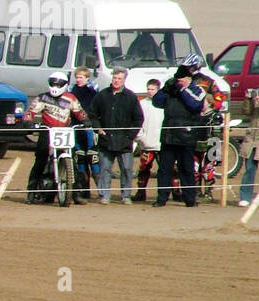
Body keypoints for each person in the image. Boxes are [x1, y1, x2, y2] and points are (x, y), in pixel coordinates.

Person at [23, 71, 89, 203]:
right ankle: (31, 192)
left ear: (64, 85)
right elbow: (30, 112)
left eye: (59, 85)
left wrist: (86, 120)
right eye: (53, 84)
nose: (56, 87)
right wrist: (28, 121)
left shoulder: (71, 98)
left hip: (64, 131)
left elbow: (80, 112)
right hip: (47, 131)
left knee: (73, 160)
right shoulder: (42, 98)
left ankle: (75, 194)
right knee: (40, 160)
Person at [150, 64, 205, 208]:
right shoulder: (171, 91)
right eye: (177, 80)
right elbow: (156, 102)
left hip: (186, 136)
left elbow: (195, 105)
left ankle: (189, 199)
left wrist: (183, 90)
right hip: (169, 136)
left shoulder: (197, 90)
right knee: (164, 170)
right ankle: (161, 199)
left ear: (188, 79)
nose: (177, 82)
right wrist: (164, 89)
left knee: (186, 169)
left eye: (180, 80)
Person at [88, 68, 144, 204]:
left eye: (119, 78)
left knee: (126, 168)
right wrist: (98, 128)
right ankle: (104, 195)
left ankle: (126, 195)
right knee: (105, 168)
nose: (116, 81)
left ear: (124, 80)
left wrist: (130, 135)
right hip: (106, 140)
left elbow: (138, 119)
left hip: (124, 141)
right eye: (114, 78)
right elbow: (93, 114)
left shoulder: (130, 97)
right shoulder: (102, 95)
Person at [70, 67, 98, 203]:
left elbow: (95, 110)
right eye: (77, 77)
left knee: (93, 158)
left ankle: (101, 191)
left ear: (87, 78)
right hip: (75, 128)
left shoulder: (92, 93)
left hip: (88, 129)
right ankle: (83, 189)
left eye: (81, 77)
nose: (78, 79)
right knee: (79, 158)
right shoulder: (71, 93)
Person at [133, 78, 163, 202]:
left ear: (158, 90)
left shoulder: (164, 104)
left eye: (153, 89)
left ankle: (174, 192)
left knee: (168, 170)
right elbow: (137, 121)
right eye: (148, 89)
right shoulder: (142, 104)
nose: (150, 92)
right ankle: (141, 192)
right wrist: (140, 138)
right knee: (144, 169)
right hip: (146, 143)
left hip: (161, 143)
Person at [237, 83, 259, 207]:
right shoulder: (257, 97)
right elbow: (246, 112)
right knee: (249, 169)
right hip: (252, 138)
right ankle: (245, 197)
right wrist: (248, 99)